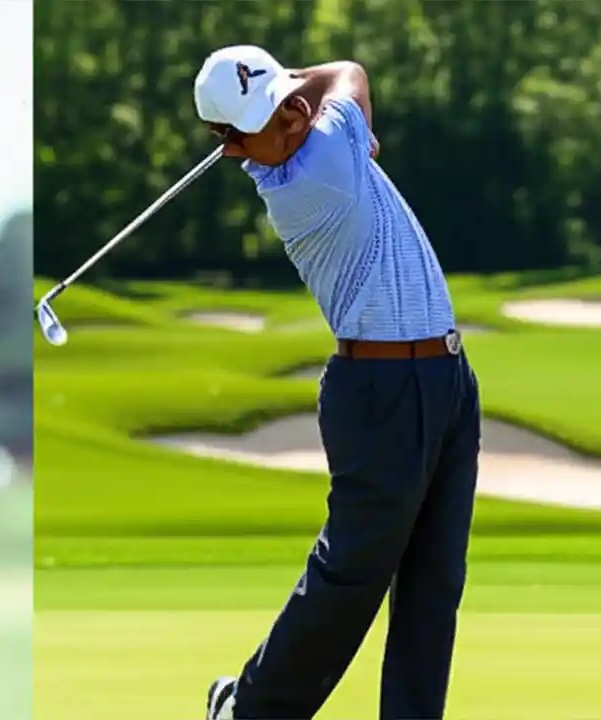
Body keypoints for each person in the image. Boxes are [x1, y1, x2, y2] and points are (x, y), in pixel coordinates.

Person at [193, 46, 482, 720]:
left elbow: (339, 76)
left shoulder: (310, 137)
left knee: (435, 580)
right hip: (381, 390)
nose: (293, 114)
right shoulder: (311, 176)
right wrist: (306, 91)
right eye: (271, 118)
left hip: (444, 376)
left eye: (286, 100)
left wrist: (286, 88)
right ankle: (252, 709)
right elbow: (348, 76)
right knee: (353, 574)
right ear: (234, 149)